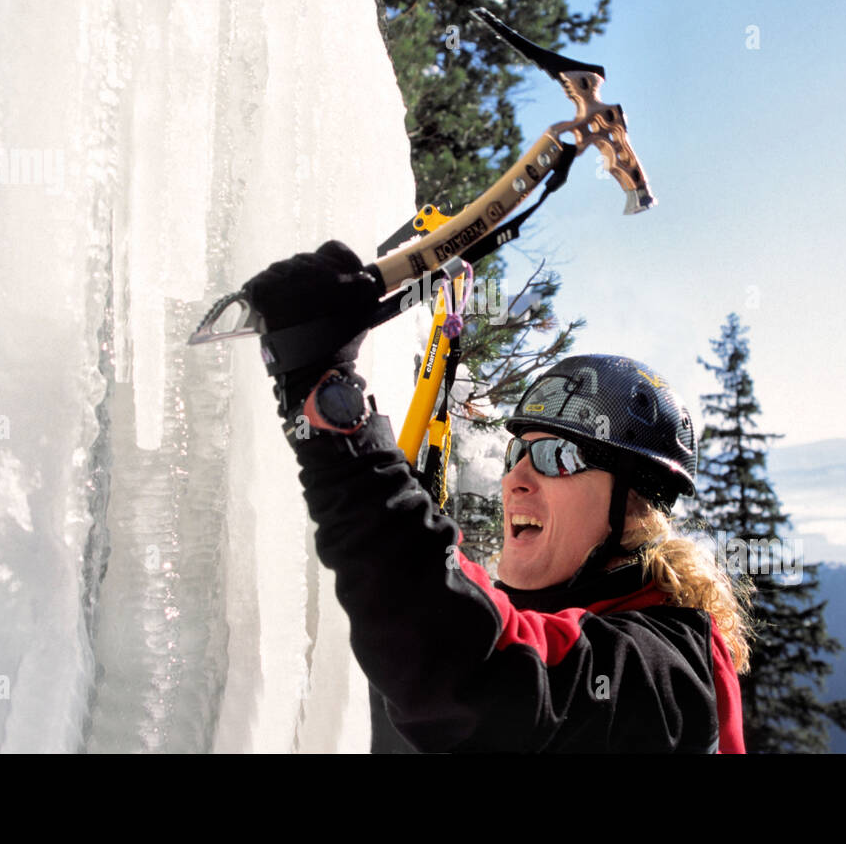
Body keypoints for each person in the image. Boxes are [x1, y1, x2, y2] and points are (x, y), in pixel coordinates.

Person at [242, 240, 749, 752]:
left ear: (637, 506)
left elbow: (492, 678)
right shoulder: (570, 623)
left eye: (556, 456)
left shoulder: (671, 674)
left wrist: (334, 414)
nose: (515, 480)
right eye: (515, 455)